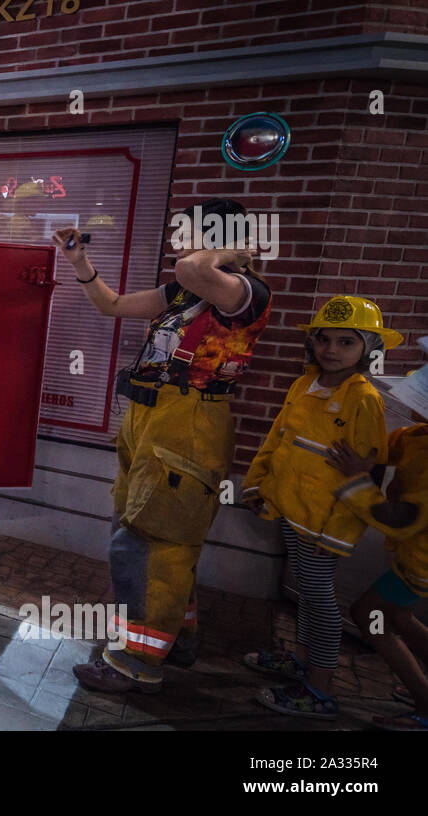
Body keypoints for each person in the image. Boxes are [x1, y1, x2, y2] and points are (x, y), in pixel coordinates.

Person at [53, 198, 273, 694]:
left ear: (217, 238)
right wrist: (79, 263)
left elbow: (192, 266)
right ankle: (178, 640)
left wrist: (229, 254)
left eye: (190, 231)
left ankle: (135, 660)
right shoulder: (183, 292)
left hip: (189, 422)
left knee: (152, 541)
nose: (180, 239)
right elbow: (112, 305)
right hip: (149, 418)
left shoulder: (245, 291)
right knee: (148, 531)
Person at [240, 296, 400, 719]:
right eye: (324, 339)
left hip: (325, 527)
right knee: (308, 596)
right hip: (294, 512)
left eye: (346, 342)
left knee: (319, 599)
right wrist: (259, 487)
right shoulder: (304, 385)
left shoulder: (364, 399)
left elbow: (366, 476)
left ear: (369, 349)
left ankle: (321, 690)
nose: (332, 350)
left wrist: (335, 538)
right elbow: (279, 440)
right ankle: (301, 657)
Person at [331, 339, 428, 730]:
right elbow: (397, 445)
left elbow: (401, 518)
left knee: (368, 614)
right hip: (415, 557)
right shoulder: (420, 435)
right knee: (399, 616)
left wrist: (355, 482)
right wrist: (371, 457)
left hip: (420, 562)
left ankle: (424, 704)